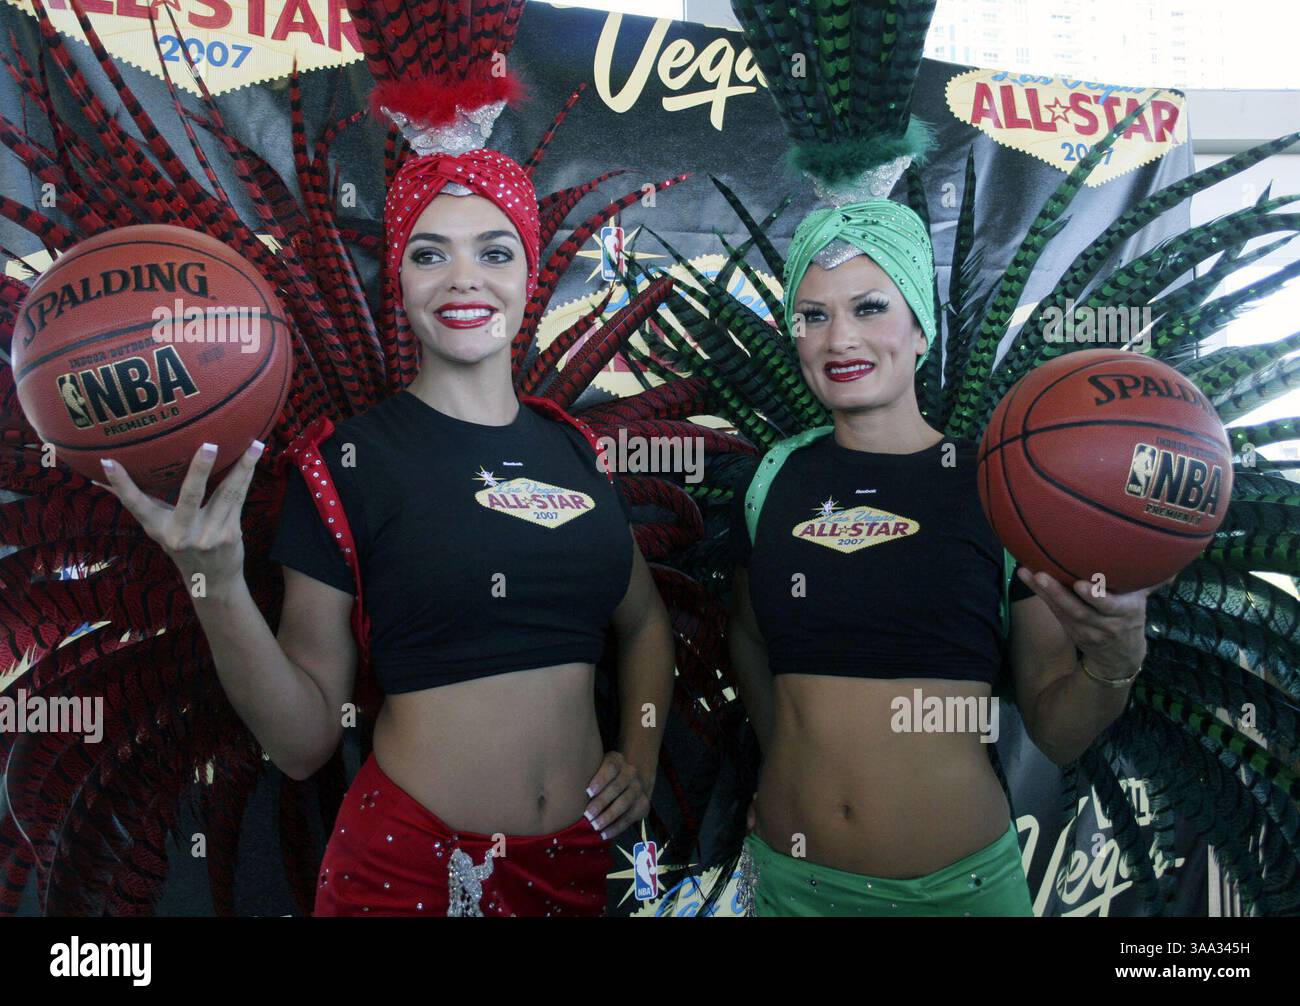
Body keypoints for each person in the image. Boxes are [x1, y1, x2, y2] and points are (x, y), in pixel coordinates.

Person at [95, 144, 676, 917]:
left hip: (574, 867)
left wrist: (640, 750)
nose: (465, 278)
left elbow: (643, 622)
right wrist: (216, 581)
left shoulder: (572, 446)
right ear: (398, 281)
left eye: (494, 252)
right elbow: (302, 745)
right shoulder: (346, 463)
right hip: (407, 875)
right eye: (430, 254)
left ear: (529, 275)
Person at [726, 200, 1163, 916]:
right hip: (790, 887)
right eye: (813, 316)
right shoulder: (773, 478)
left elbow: (1056, 731)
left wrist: (1113, 662)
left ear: (921, 325)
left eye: (869, 307)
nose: (840, 339)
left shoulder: (998, 490)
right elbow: (746, 632)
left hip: (956, 898)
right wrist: (782, 769)